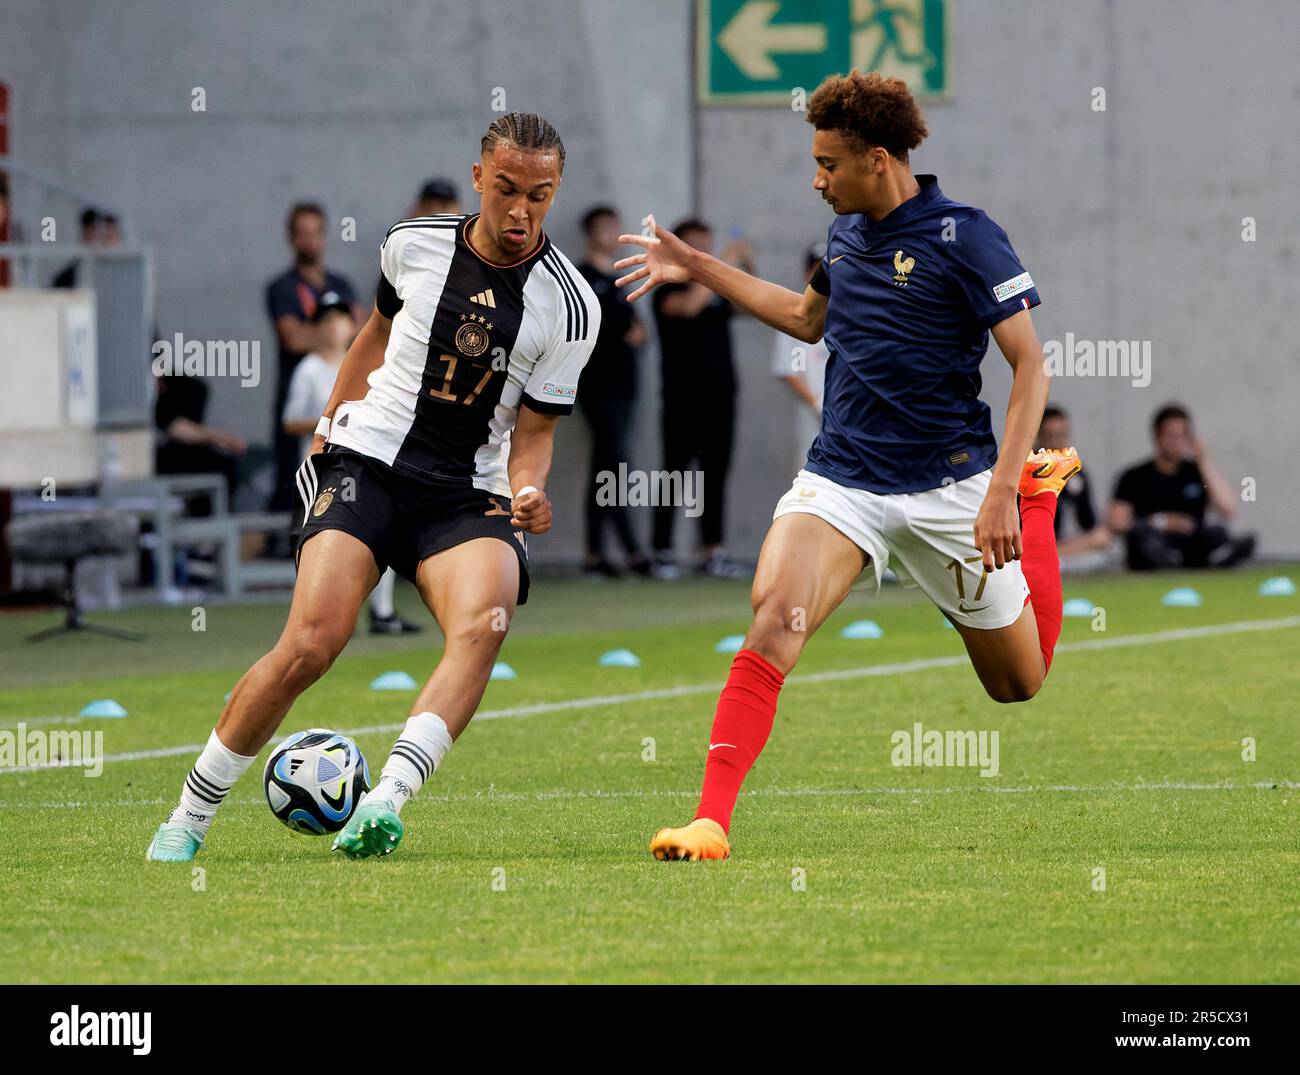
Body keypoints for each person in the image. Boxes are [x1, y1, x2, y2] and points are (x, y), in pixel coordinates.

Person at [616, 71, 1082, 860]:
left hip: (953, 485)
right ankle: (710, 820)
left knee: (1018, 683)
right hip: (843, 481)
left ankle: (1041, 502)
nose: (817, 177)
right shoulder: (844, 235)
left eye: (828, 163)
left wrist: (1005, 490)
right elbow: (804, 318)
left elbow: (1030, 366)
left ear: (876, 158)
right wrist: (695, 264)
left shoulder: (966, 236)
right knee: (773, 620)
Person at [147, 112, 599, 864]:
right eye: (509, 189)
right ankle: (188, 815)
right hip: (369, 464)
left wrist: (529, 491)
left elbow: (538, 433)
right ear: (479, 175)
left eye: (541, 196)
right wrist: (327, 427)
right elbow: (374, 338)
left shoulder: (570, 305)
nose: (521, 211)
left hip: (468, 492)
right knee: (312, 644)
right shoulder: (411, 243)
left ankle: (384, 801)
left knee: (483, 625)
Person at [281, 292, 423, 634]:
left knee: (382, 531)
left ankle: (383, 612)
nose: (333, 327)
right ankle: (313, 615)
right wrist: (332, 418)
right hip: (324, 466)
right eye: (325, 320)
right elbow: (290, 421)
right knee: (317, 541)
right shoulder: (309, 370)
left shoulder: (368, 362)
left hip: (364, 463)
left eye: (339, 319)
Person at [650, 218, 754, 580]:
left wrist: (744, 265)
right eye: (695, 245)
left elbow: (747, 305)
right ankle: (661, 551)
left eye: (707, 245)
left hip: (721, 397)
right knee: (674, 475)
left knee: (715, 477)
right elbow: (689, 307)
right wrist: (722, 262)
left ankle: (712, 552)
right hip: (681, 399)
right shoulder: (666, 285)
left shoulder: (716, 291)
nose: (703, 253)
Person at [264, 202, 360, 513]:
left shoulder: (340, 284)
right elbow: (292, 338)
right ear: (291, 239)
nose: (309, 241)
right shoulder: (282, 288)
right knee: (295, 491)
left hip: (342, 406)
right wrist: (336, 332)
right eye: (302, 234)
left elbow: (364, 331)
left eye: (315, 233)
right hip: (301, 403)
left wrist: (316, 333)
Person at [576, 205, 650, 577]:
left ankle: (595, 554)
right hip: (596, 385)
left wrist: (628, 331)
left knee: (605, 466)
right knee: (614, 465)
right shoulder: (581, 276)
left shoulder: (622, 278)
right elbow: (596, 327)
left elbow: (639, 330)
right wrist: (623, 331)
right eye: (605, 227)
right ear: (591, 231)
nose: (612, 233)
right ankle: (633, 551)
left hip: (625, 386)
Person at [1107, 403, 1254, 570]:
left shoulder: (1196, 473)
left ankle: (1219, 556)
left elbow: (1228, 508)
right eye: (1171, 436)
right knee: (1143, 536)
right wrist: (1162, 522)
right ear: (1157, 437)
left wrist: (1204, 460)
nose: (1176, 442)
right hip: (1154, 542)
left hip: (1191, 542)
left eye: (1182, 436)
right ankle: (1168, 561)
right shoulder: (1134, 477)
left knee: (1216, 532)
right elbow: (1117, 523)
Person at [771, 243, 831, 472]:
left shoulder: (854, 312)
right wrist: (818, 403)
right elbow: (792, 370)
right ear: (807, 275)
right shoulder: (798, 315)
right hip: (814, 420)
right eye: (819, 272)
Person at [1036, 406, 1112, 557]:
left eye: (1062, 436)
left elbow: (1089, 525)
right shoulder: (1027, 473)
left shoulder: (1077, 473)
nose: (1057, 443)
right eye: (1050, 436)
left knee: (1102, 537)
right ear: (1038, 437)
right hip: (1034, 546)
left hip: (1067, 546)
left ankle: (1057, 556)